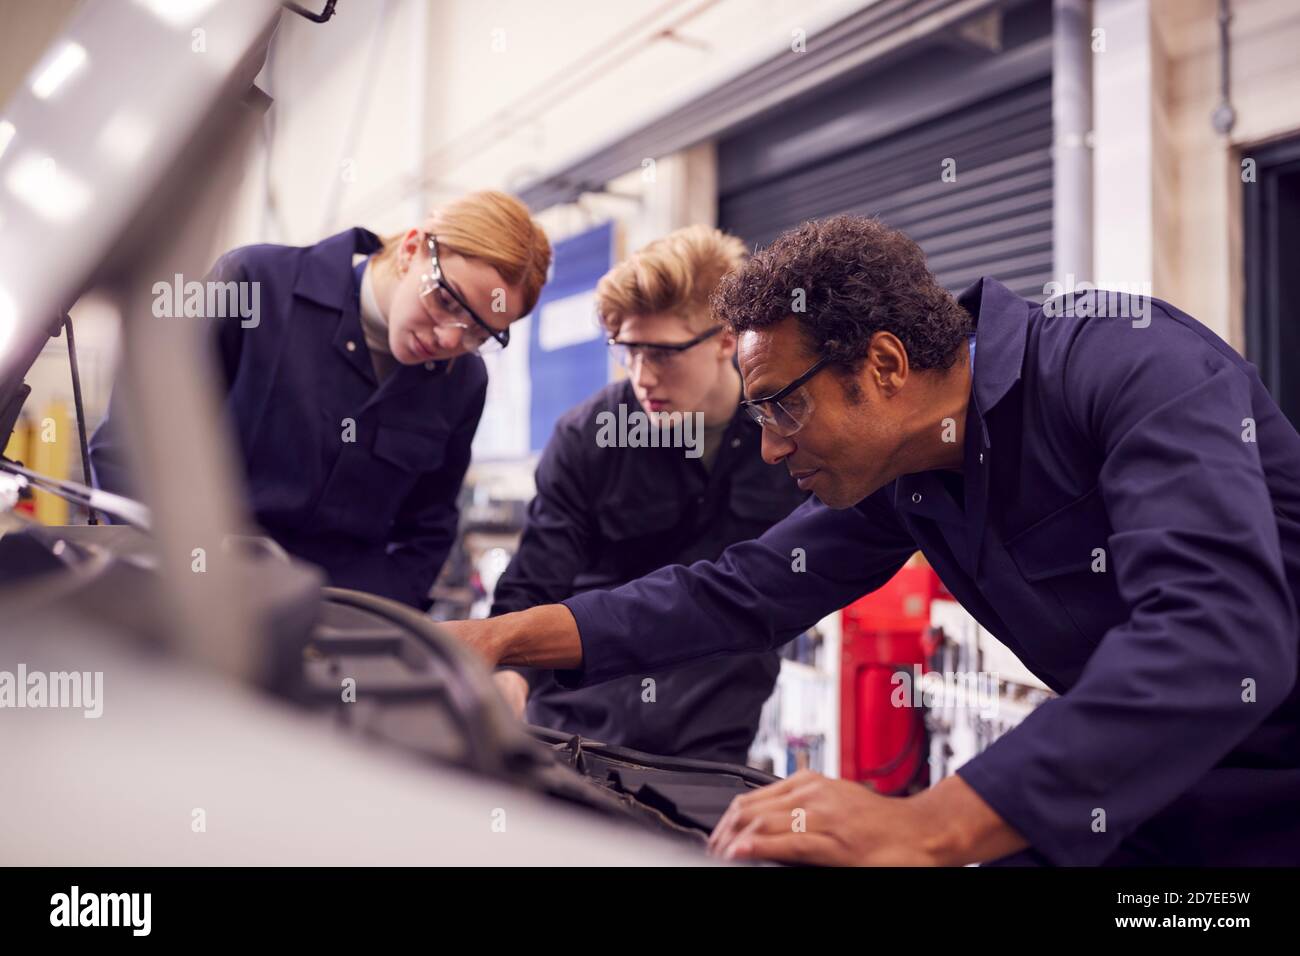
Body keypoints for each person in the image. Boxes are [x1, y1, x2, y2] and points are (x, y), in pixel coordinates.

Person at [441, 214, 1300, 866]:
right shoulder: (910, 476)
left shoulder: (1129, 366)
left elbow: (1216, 634)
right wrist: (501, 639)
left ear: (885, 365)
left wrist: (929, 822)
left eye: (783, 404)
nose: (771, 447)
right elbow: (740, 590)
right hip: (1144, 799)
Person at [91, 191, 551, 609]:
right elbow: (131, 444)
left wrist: (373, 612)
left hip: (337, 627)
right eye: (448, 301)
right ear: (412, 248)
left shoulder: (462, 382)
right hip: (194, 598)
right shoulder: (256, 285)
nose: (451, 336)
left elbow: (428, 529)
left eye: (478, 332)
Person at [491, 226, 805, 763]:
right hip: (579, 725)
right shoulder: (588, 436)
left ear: (725, 339)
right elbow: (536, 579)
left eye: (661, 354)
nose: (642, 378)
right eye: (627, 353)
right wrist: (508, 678)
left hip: (715, 734)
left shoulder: (789, 433)